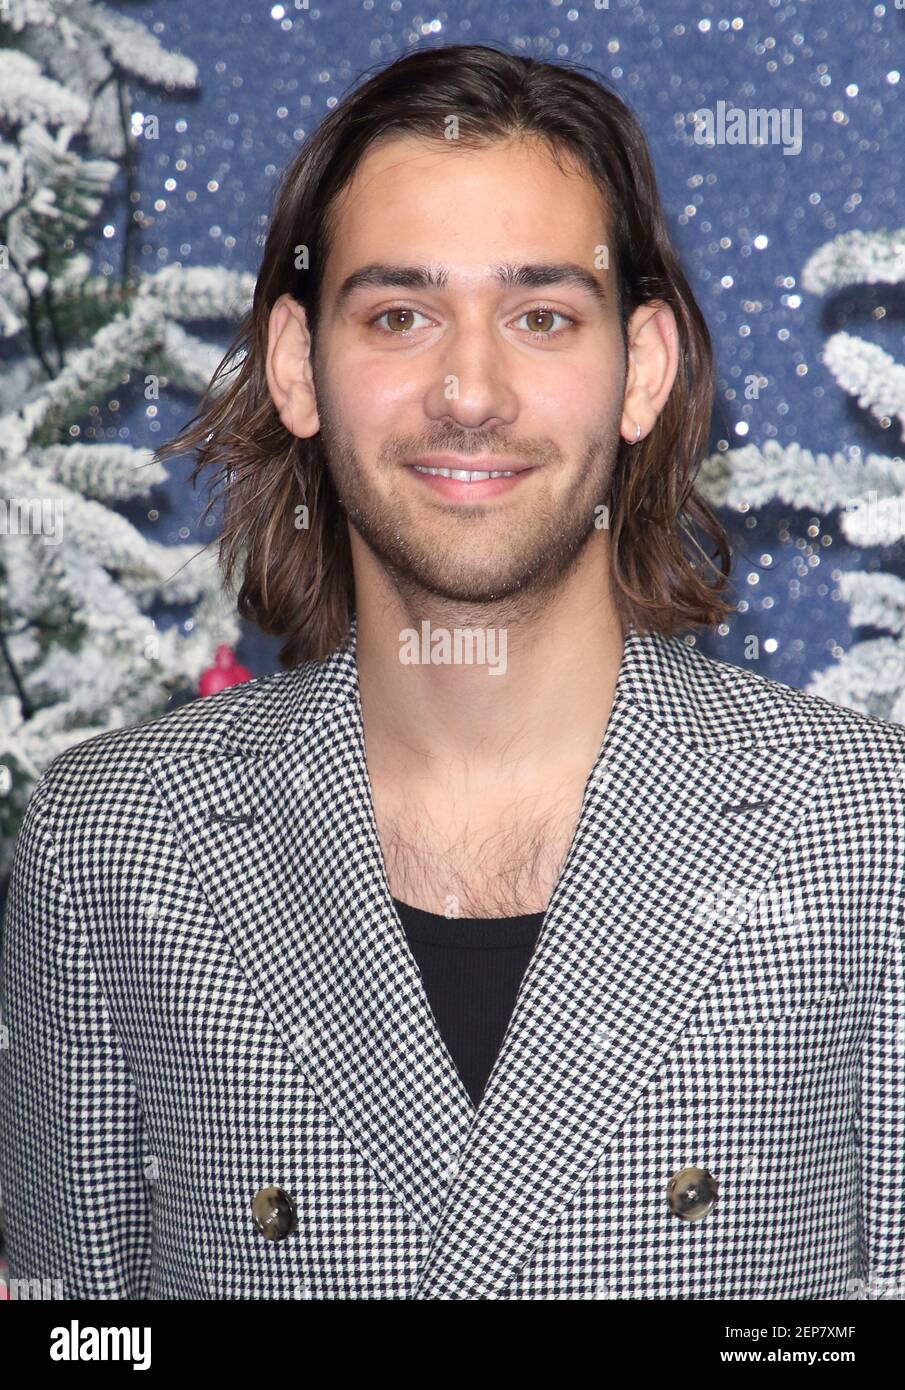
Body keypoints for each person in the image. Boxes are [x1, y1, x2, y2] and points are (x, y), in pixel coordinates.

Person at [1, 43, 902, 1303]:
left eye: (540, 316)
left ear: (639, 368)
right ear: (297, 367)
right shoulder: (117, 843)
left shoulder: (862, 832)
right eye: (397, 316)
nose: (469, 391)